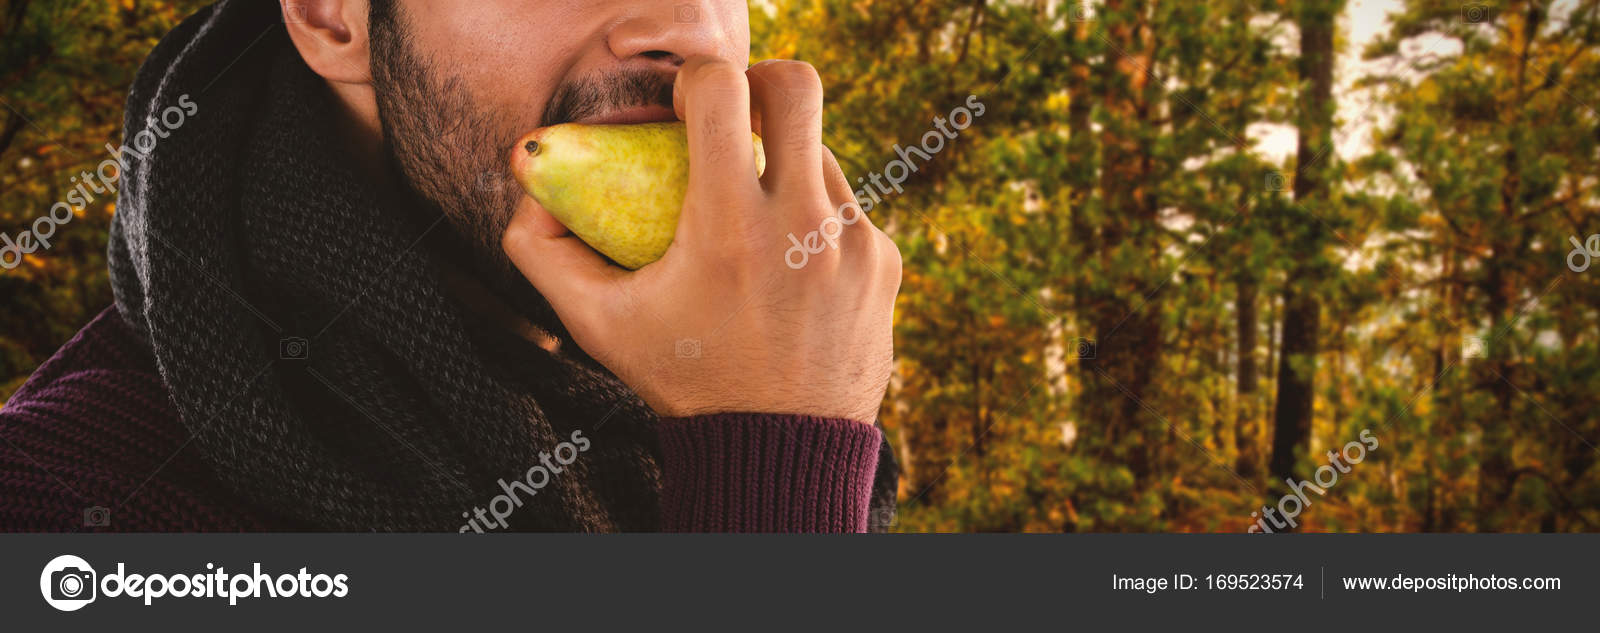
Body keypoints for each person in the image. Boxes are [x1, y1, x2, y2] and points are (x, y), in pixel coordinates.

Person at [0, 0, 901, 532]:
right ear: (335, 16)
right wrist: (773, 454)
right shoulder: (62, 507)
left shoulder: (672, 413)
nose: (688, 29)